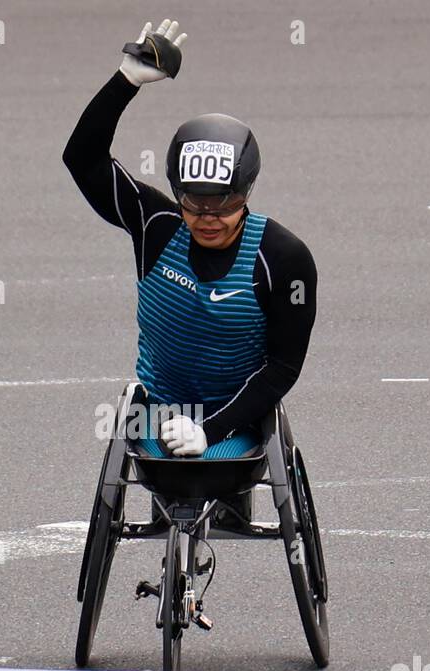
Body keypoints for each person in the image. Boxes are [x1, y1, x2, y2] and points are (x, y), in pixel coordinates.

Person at [63, 18, 318, 523]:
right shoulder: (157, 226)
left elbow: (283, 368)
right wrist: (125, 82)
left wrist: (213, 428)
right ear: (177, 195)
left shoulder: (284, 258)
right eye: (194, 205)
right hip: (155, 410)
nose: (207, 219)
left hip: (238, 422)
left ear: (246, 194)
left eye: (223, 207)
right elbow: (82, 158)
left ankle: (219, 504)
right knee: (164, 461)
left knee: (198, 462)